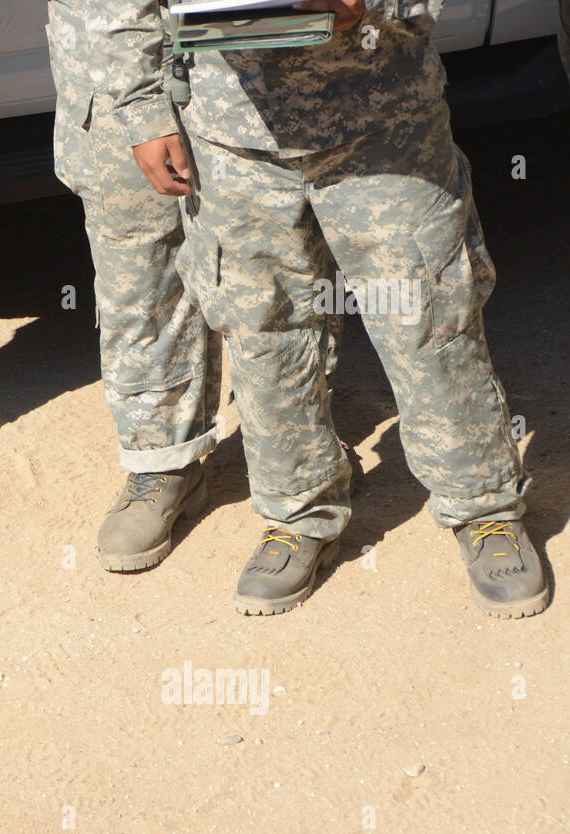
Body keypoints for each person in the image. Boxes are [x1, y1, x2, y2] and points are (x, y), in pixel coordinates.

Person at [129, 0, 547, 617]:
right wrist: (142, 107)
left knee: (427, 317)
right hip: (230, 136)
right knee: (262, 327)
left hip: (382, 121)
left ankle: (484, 506)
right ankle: (296, 512)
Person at [45, 0, 216, 572]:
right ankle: (161, 463)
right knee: (140, 279)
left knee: (279, 261)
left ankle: (305, 442)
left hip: (259, 59)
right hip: (117, 66)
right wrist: (145, 112)